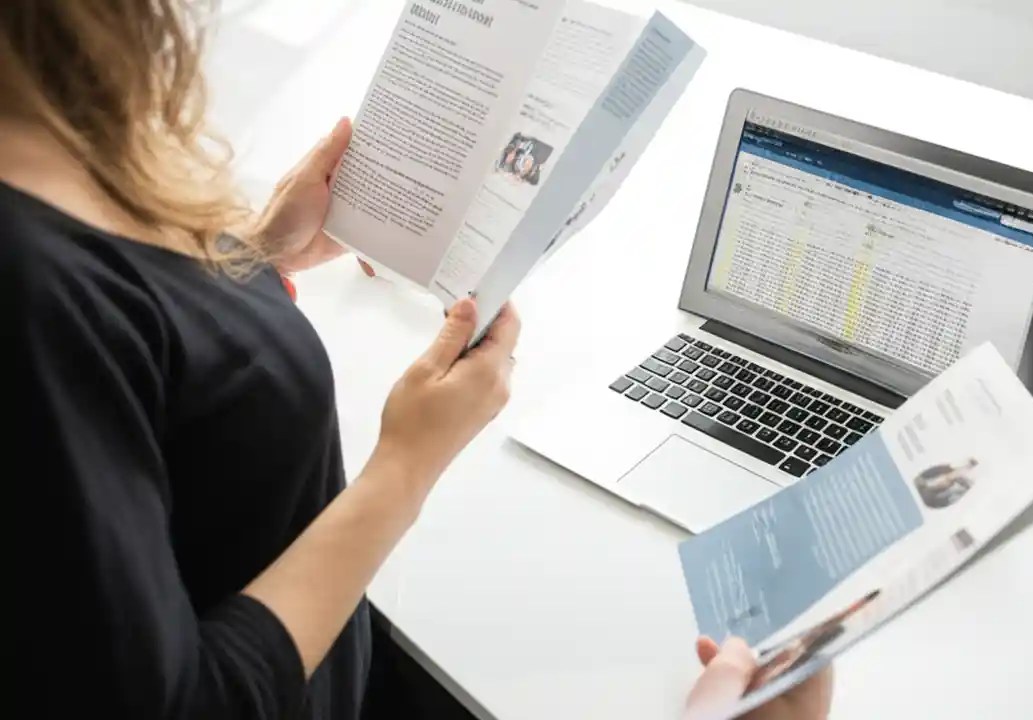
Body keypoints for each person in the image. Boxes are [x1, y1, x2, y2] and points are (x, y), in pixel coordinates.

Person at [2, 3, 831, 719]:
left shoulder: (52, 132)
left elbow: (138, 368)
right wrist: (406, 464)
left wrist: (255, 259)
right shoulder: (29, 286)